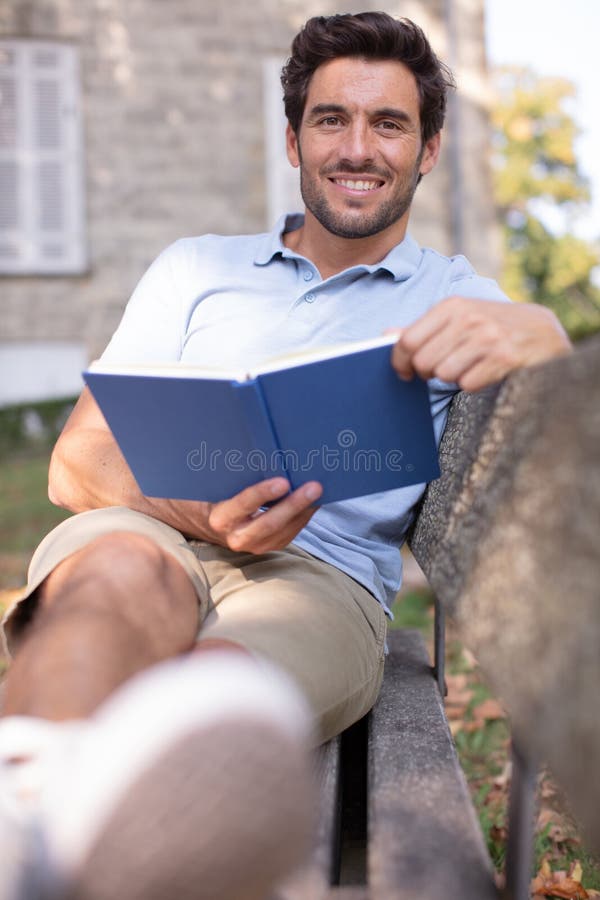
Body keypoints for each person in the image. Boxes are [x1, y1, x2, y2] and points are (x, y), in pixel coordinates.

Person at [0, 11, 571, 900]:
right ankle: (19, 832)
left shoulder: (459, 297)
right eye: (331, 119)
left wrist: (540, 332)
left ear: (426, 151)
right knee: (113, 576)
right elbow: (73, 462)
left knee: (216, 688)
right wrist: (198, 511)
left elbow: (559, 420)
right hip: (148, 532)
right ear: (293, 139)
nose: (358, 147)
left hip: (321, 582)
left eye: (389, 124)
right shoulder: (195, 269)